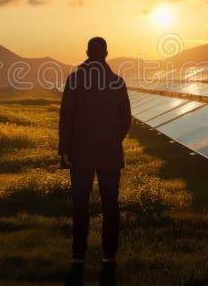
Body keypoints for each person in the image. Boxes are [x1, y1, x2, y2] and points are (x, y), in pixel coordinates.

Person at [59, 36, 131, 286]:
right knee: (110, 206)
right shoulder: (117, 81)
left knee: (81, 206)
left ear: (87, 53)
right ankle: (109, 257)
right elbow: (126, 120)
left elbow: (66, 116)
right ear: (106, 54)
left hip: (80, 154)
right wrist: (113, 139)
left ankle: (78, 256)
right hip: (110, 154)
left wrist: (65, 149)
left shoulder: (75, 79)